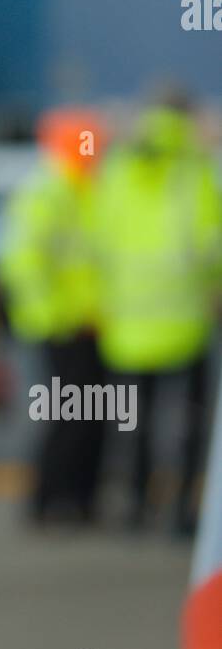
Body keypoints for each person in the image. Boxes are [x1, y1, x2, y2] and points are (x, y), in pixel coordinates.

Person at [92, 92, 222, 536]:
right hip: (186, 320)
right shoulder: (195, 169)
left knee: (133, 424)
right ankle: (184, 512)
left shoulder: (118, 169)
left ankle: (136, 507)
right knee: (190, 422)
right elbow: (211, 242)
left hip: (128, 322)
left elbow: (100, 239)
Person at [0, 108, 108, 524]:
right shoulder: (50, 190)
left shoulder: (88, 189)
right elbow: (23, 262)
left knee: (91, 416)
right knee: (68, 416)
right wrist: (53, 317)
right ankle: (48, 502)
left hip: (94, 326)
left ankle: (79, 501)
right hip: (62, 328)